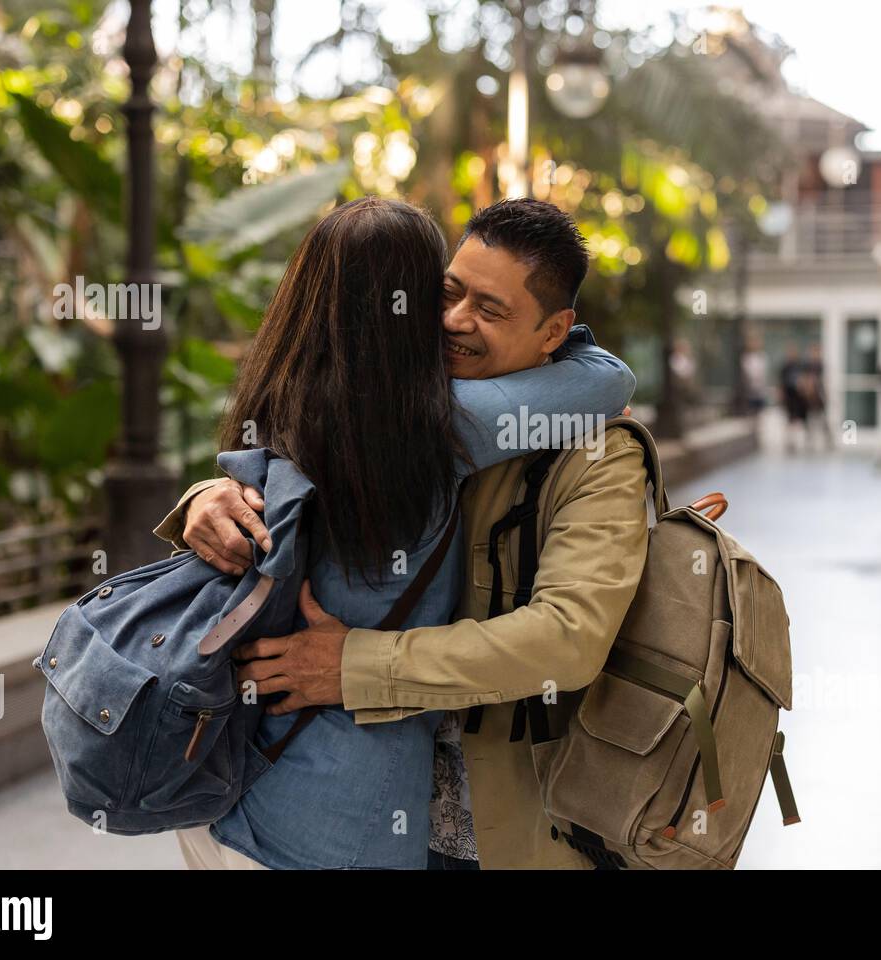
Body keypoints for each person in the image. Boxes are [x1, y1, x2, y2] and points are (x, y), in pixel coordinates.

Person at [159, 197, 637, 870]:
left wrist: (353, 666)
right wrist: (206, 498)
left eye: (489, 309)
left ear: (556, 330)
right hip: (321, 807)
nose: (452, 320)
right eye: (447, 292)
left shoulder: (594, 456)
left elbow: (566, 639)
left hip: (491, 827)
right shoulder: (395, 400)